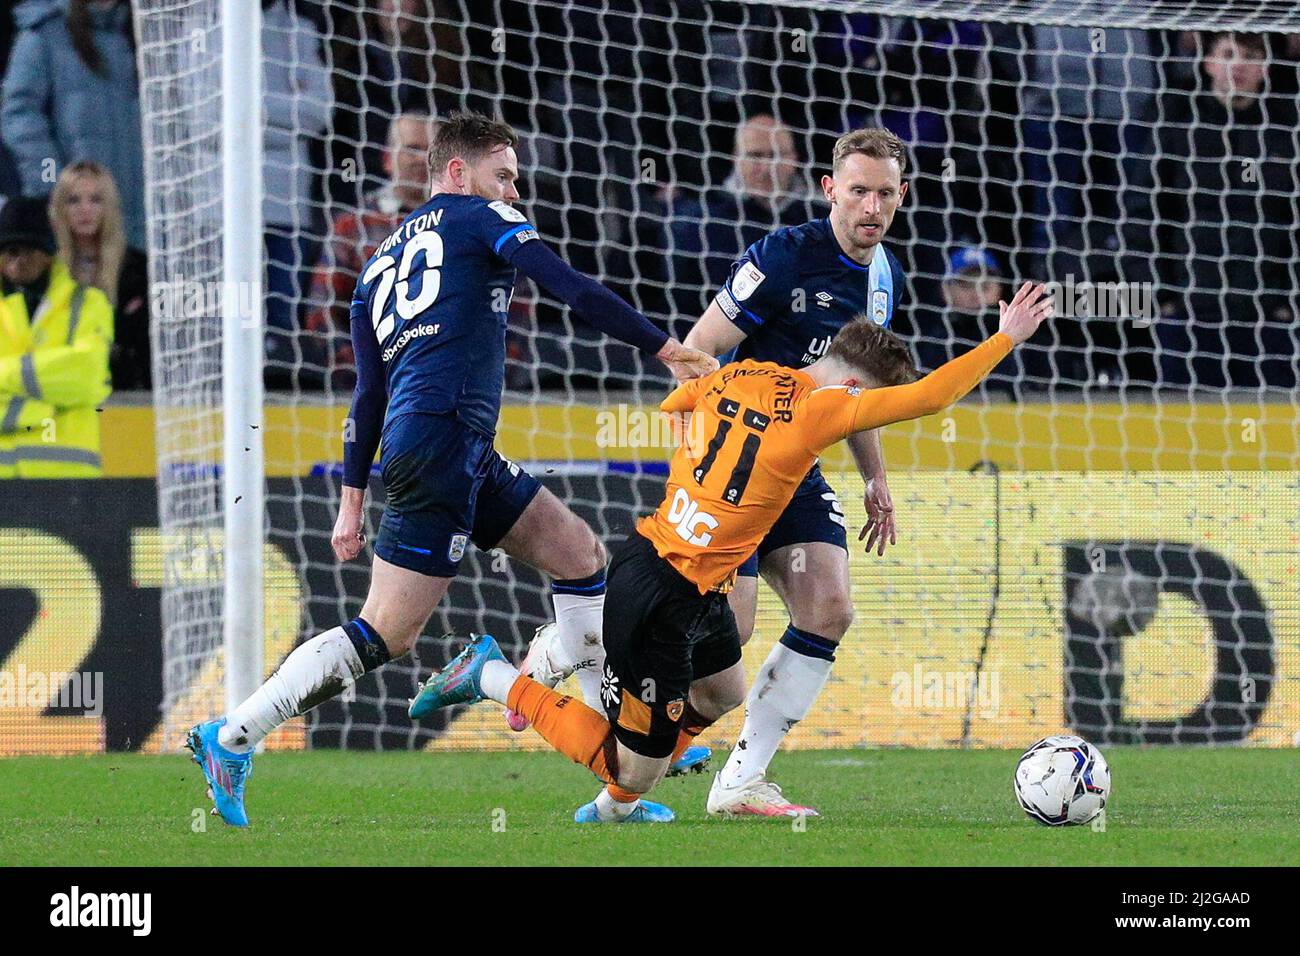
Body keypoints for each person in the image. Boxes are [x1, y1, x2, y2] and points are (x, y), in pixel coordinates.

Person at [183, 111, 716, 827]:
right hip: (443, 446)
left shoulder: (374, 268)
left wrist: (350, 501)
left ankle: (617, 747)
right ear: (458, 173)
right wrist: (663, 345)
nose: (515, 192)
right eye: (505, 175)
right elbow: (570, 287)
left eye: (518, 181)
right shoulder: (476, 219)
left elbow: (367, 396)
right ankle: (233, 735)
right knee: (386, 634)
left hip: (443, 443)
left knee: (579, 554)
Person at [407, 284, 1054, 821]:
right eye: (865, 404)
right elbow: (933, 397)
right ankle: (494, 680)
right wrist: (1006, 338)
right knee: (629, 768)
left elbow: (676, 400)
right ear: (854, 387)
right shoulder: (820, 412)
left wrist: (696, 476)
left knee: (723, 689)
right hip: (659, 592)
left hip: (682, 579)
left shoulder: (739, 372)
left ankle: (621, 795)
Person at [677, 126, 911, 816]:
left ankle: (741, 781)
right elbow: (697, 348)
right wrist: (706, 451)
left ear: (903, 197)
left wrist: (874, 475)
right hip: (737, 462)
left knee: (830, 607)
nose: (872, 207)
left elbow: (856, 390)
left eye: (886, 194)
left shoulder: (880, 276)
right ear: (829, 190)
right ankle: (597, 652)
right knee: (734, 634)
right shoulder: (782, 257)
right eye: (859, 191)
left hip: (797, 465)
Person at [1125, 31, 1300, 390]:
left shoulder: (1288, 131)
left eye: (1251, 55)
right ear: (1208, 63)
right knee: (1185, 430)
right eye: (1228, 53)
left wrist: (1288, 302)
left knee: (1266, 433)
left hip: (1268, 318)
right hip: (1189, 314)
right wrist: (1161, 298)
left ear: (1265, 68)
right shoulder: (1176, 126)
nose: (1238, 65)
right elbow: (1143, 214)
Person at [304, 113, 436, 389]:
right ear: (387, 158)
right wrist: (365, 379)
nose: (421, 159)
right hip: (372, 389)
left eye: (432, 151)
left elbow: (516, 309)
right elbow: (321, 311)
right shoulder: (353, 226)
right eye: (412, 148)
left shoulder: (471, 222)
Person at [1, 0, 146, 249]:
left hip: (143, 222)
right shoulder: (46, 33)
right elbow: (20, 114)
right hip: (75, 227)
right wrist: (53, 183)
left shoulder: (151, 33)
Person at [666, 115, 827, 318]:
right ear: (736, 158)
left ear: (794, 159)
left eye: (776, 155)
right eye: (755, 156)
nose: (767, 168)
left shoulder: (823, 219)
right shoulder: (703, 220)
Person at [0, 195, 114, 477]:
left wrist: (4, 377)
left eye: (28, 248)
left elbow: (88, 377)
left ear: (49, 255)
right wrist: (49, 392)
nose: (17, 257)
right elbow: (73, 378)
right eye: (8, 249)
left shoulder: (87, 303)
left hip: (69, 483)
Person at [49, 160, 149, 390]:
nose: (85, 209)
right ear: (60, 208)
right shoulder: (49, 268)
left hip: (125, 393)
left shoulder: (137, 269)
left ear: (109, 207)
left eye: (95, 200)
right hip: (59, 386)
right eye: (74, 200)